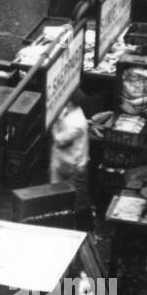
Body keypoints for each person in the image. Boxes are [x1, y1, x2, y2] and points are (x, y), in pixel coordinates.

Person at [49, 91, 90, 222]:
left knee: (77, 202)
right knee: (57, 195)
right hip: (62, 162)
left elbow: (59, 141)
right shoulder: (70, 111)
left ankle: (81, 226)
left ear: (70, 102)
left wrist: (53, 124)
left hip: (74, 167)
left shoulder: (77, 123)